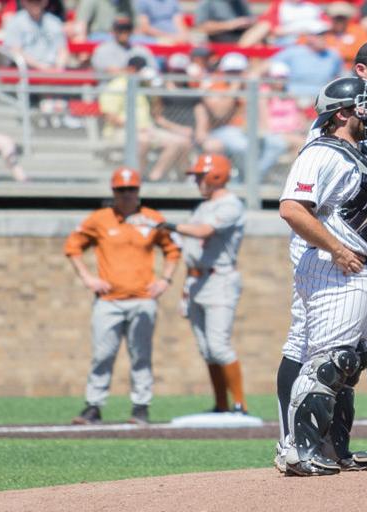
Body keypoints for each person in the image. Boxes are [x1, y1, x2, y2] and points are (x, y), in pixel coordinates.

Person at [277, 38, 367, 467]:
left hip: (365, 256)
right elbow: (296, 207)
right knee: (321, 355)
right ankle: (296, 447)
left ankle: (337, 446)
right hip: (328, 256)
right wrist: (335, 248)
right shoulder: (326, 142)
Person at [66, 167, 180, 426]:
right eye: (121, 190)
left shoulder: (151, 218)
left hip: (142, 299)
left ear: (138, 191)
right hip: (109, 301)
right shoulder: (100, 219)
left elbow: (172, 249)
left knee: (141, 354)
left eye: (132, 189)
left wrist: (166, 279)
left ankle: (141, 406)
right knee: (102, 354)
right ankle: (93, 406)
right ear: (113, 191)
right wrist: (87, 278)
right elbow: (72, 247)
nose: (127, 195)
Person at [154, 154, 250, 414]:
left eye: (200, 175)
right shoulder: (201, 206)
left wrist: (170, 225)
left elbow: (204, 231)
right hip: (196, 279)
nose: (197, 181)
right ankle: (221, 404)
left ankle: (240, 404)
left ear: (215, 175)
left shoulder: (231, 205)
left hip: (219, 279)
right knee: (207, 349)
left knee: (219, 346)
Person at [98, 55, 192, 182]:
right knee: (143, 140)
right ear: (131, 69)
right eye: (139, 70)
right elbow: (110, 116)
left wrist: (154, 89)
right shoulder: (116, 86)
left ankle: (156, 178)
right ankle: (136, 180)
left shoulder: (144, 86)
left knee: (181, 141)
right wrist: (136, 128)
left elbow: (156, 113)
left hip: (148, 130)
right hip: (120, 131)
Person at [268, 27, 346, 99]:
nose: (324, 38)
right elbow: (267, 65)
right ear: (310, 37)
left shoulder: (333, 55)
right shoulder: (294, 52)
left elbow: (341, 77)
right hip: (295, 102)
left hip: (322, 102)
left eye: (325, 35)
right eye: (320, 35)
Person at [4, 0, 69, 71]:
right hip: (25, 73)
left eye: (38, 1)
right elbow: (15, 51)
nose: (35, 4)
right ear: (23, 2)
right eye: (31, 1)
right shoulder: (15, 22)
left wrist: (59, 68)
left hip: (53, 71)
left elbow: (62, 50)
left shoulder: (55, 22)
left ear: (45, 2)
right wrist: (42, 67)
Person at [68, 0, 136, 43]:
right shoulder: (90, 1)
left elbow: (135, 26)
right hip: (98, 36)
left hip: (125, 37)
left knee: (141, 41)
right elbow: (81, 24)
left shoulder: (128, 3)